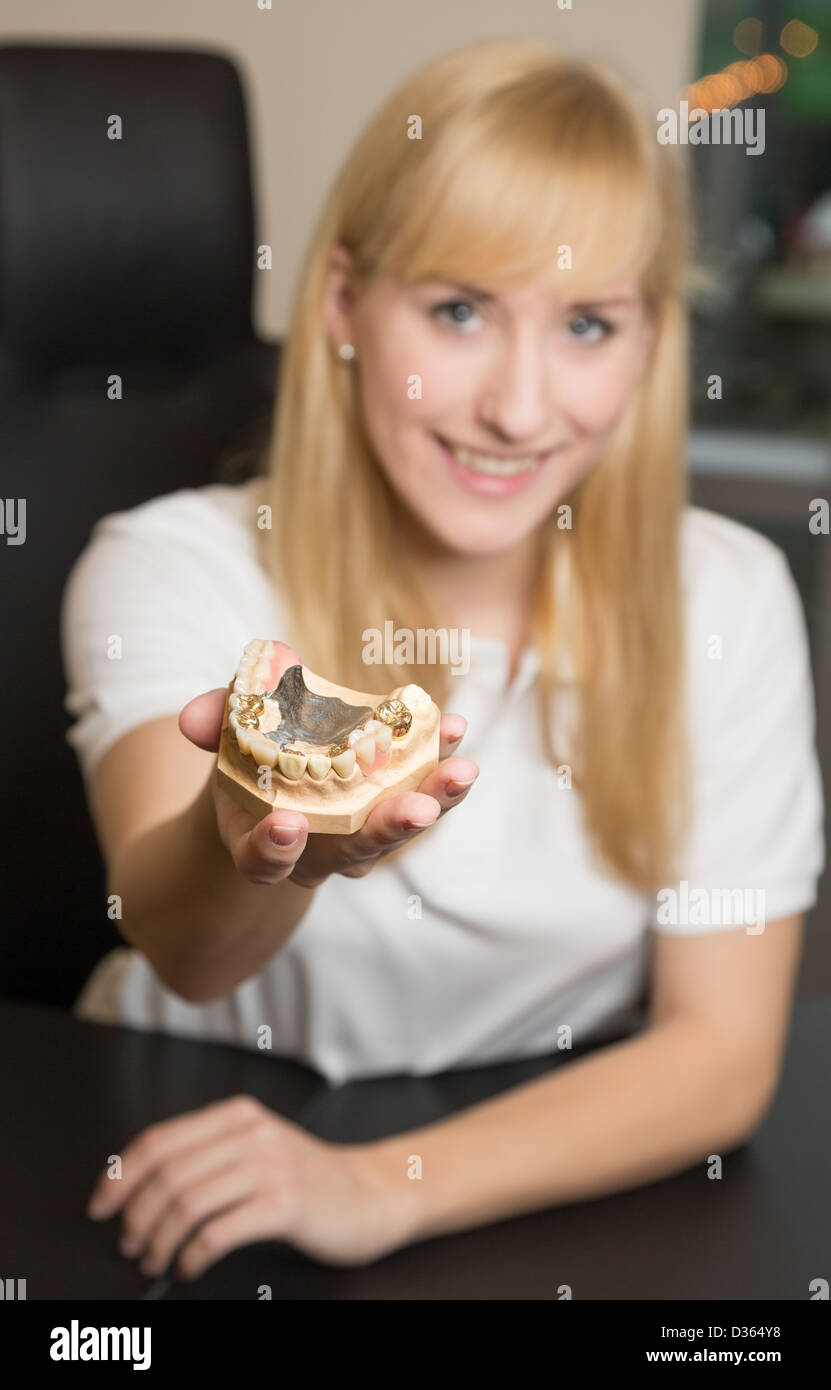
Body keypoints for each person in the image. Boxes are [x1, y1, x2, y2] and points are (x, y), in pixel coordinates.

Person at [64, 38, 824, 1279]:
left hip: (529, 1172)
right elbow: (185, 953)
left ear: (648, 348)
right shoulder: (171, 564)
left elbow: (719, 1057)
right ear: (346, 306)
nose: (519, 410)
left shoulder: (728, 598)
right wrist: (271, 849)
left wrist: (380, 1186)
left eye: (587, 324)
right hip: (168, 1129)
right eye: (461, 311)